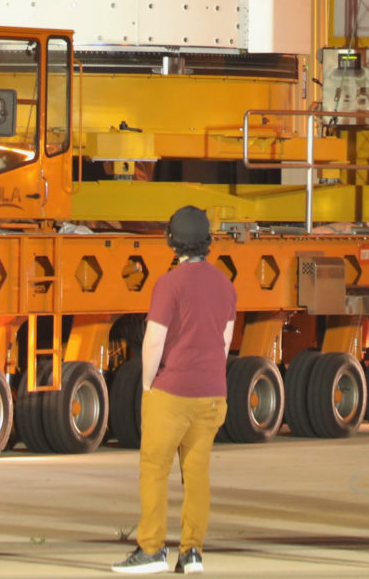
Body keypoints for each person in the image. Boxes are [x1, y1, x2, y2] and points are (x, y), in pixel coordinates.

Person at [111, 206, 237, 575]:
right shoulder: (225, 285)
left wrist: (148, 384)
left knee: (154, 469)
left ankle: (151, 550)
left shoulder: (169, 284)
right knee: (196, 474)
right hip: (212, 395)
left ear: (171, 241)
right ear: (208, 242)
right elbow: (225, 342)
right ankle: (192, 552)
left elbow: (154, 342)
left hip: (172, 393)